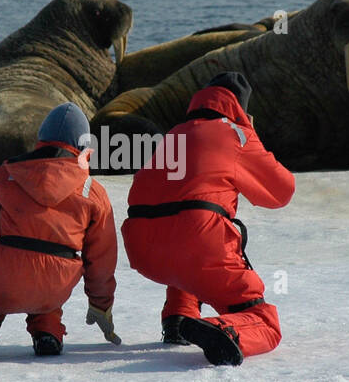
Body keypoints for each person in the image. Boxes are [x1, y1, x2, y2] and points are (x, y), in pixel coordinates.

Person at [121, 72, 295, 366]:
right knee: (266, 322)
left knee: (183, 228)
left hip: (143, 251)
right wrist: (252, 137)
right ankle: (226, 331)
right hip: (199, 246)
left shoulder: (174, 133)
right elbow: (281, 192)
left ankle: (179, 315)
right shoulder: (236, 134)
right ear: (240, 107)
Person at [0, 102, 120, 362]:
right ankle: (48, 332)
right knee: (48, 284)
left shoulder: (8, 174)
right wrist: (101, 305)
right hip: (57, 284)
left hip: (2, 276)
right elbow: (101, 260)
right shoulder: (93, 190)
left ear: (41, 140)